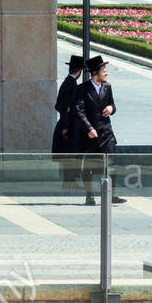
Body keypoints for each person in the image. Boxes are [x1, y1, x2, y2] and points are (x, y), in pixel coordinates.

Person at [72, 55, 126, 206]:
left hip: (106, 133)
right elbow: (78, 110)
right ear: (96, 72)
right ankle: (89, 196)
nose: (106, 73)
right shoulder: (82, 89)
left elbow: (112, 104)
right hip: (90, 134)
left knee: (111, 164)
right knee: (89, 167)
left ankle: (112, 195)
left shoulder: (107, 87)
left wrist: (111, 108)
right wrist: (89, 128)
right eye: (104, 70)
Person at [52, 55, 85, 190]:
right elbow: (64, 107)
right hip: (69, 125)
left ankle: (69, 181)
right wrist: (66, 126)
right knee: (71, 154)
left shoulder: (68, 82)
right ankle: (70, 181)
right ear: (79, 71)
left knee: (69, 154)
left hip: (67, 124)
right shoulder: (71, 84)